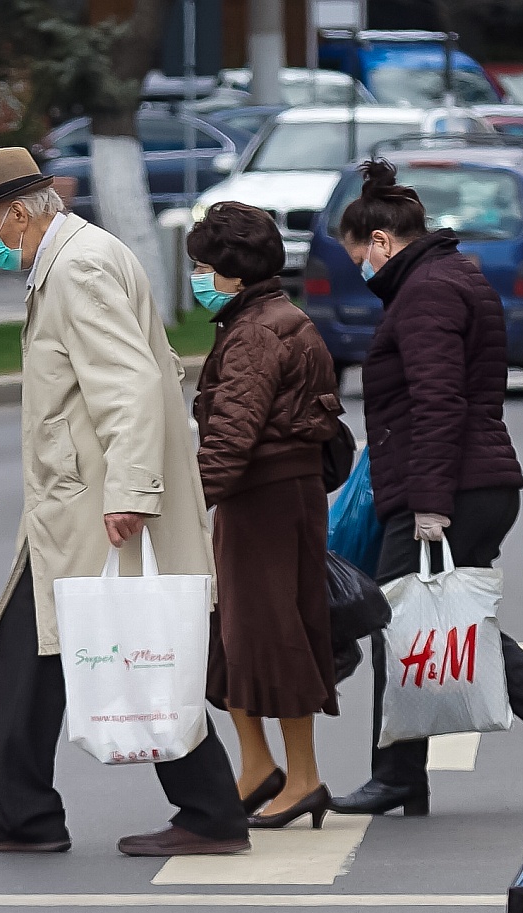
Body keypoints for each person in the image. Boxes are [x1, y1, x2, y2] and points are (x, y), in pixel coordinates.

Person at [0, 148, 252, 858]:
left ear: (18, 213)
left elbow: (131, 385)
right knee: (42, 646)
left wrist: (132, 493)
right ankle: (28, 809)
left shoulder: (75, 267)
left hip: (96, 504)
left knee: (132, 650)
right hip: (75, 503)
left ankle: (205, 810)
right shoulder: (75, 258)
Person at [332, 159, 523, 817]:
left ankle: (399, 773)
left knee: (400, 621)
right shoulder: (446, 276)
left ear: (379, 242)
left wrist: (428, 501)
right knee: (451, 624)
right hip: (470, 482)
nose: (359, 273)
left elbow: (438, 402)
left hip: (451, 489)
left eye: (357, 258)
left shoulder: (427, 291)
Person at [187, 202, 345, 830]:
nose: (198, 279)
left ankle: (302, 777)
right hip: (274, 495)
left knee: (275, 635)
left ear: (232, 273)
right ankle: (258, 766)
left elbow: (233, 434)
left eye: (203, 268)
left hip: (266, 501)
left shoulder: (256, 332)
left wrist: (183, 501)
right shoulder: (270, 318)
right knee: (235, 638)